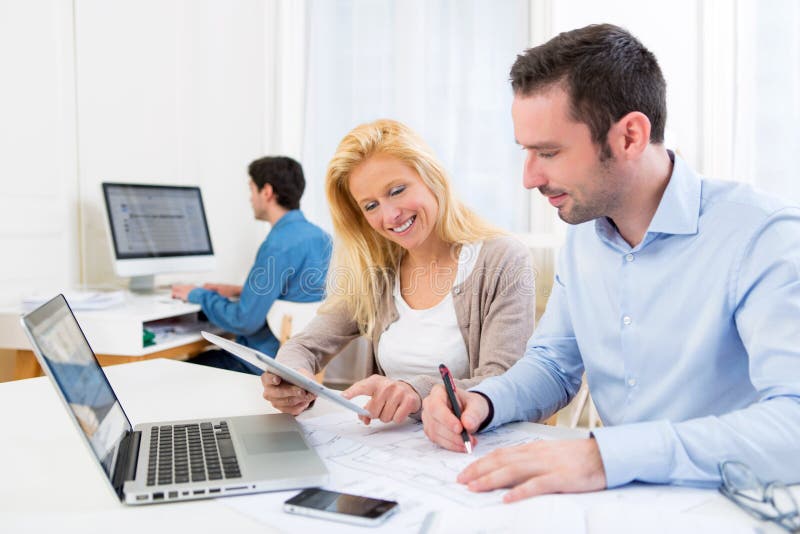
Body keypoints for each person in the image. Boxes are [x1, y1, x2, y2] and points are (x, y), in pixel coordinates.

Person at [421, 23, 800, 503]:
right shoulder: (584, 236)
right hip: (620, 500)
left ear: (630, 136)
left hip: (731, 504)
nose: (529, 177)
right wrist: (486, 402)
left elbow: (794, 420)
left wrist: (606, 455)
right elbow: (554, 365)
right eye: (527, 152)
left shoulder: (762, 236)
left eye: (550, 152)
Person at [262, 119, 536, 424]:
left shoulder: (502, 260)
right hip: (389, 452)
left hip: (468, 449)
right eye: (370, 206)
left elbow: (504, 383)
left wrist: (415, 393)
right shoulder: (378, 271)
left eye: (397, 190)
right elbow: (304, 346)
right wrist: (291, 377)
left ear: (430, 176)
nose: (389, 216)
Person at [172, 156, 332, 373]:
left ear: (266, 192)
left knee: (172, 369)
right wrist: (240, 291)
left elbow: (244, 320)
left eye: (252, 189)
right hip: (301, 361)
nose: (250, 198)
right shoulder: (319, 237)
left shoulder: (278, 244)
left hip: (261, 365)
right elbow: (294, 293)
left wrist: (197, 294)